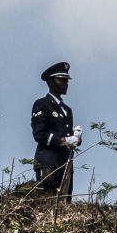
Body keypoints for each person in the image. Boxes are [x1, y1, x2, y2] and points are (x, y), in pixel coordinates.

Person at [31, 62, 81, 196]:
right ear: (51, 82)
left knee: (64, 204)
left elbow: (68, 137)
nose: (66, 83)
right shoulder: (42, 104)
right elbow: (39, 134)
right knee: (47, 203)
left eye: (67, 80)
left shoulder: (67, 110)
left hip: (65, 164)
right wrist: (64, 140)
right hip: (48, 163)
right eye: (62, 80)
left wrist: (76, 138)